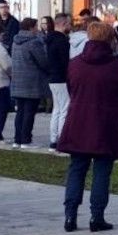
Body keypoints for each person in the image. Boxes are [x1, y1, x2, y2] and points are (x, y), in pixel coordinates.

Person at [56, 20, 118, 232]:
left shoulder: (75, 64)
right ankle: (96, 217)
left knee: (76, 169)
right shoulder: (116, 67)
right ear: (110, 40)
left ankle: (70, 216)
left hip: (78, 121)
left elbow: (71, 88)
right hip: (106, 123)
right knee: (102, 171)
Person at [9, 17, 50, 148]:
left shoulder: (15, 41)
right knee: (29, 112)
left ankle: (17, 139)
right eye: (36, 26)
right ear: (31, 28)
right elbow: (43, 61)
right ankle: (26, 140)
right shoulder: (34, 42)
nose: (38, 29)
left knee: (20, 112)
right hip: (32, 82)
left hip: (18, 81)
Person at [45, 13, 72, 149]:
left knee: (57, 109)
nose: (70, 26)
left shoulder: (49, 39)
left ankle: (53, 139)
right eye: (69, 23)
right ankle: (62, 139)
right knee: (65, 109)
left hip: (52, 77)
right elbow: (65, 62)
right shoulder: (62, 41)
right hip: (61, 78)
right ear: (63, 24)